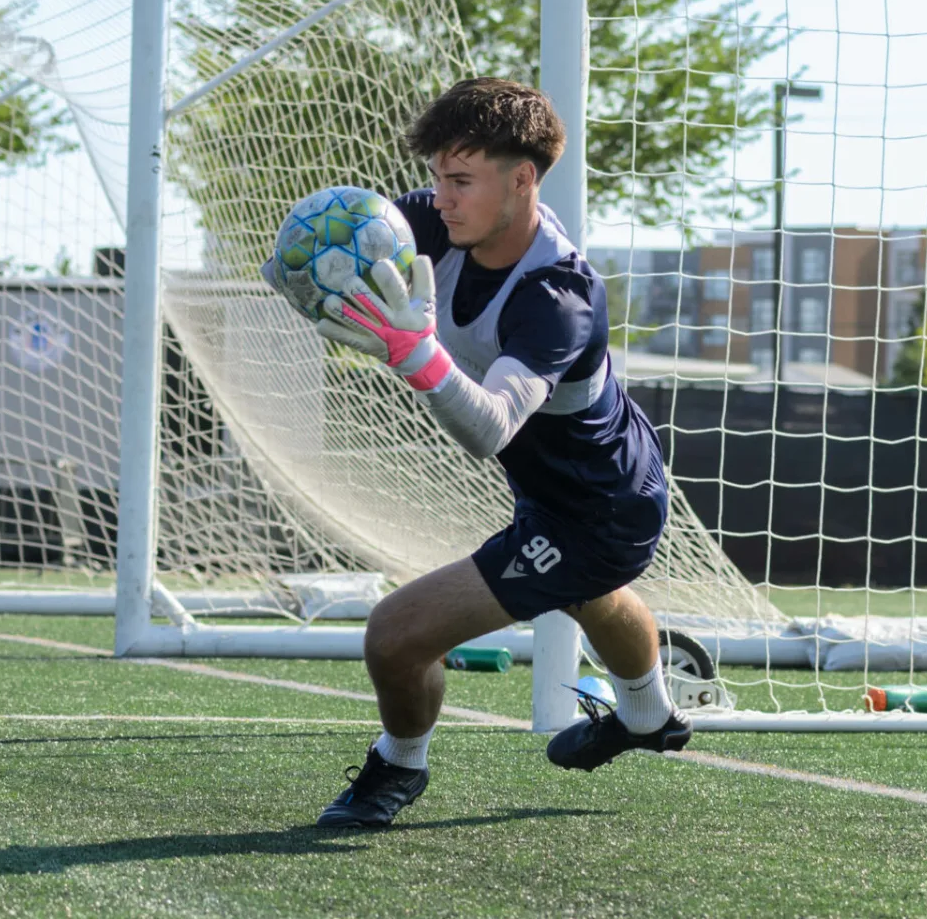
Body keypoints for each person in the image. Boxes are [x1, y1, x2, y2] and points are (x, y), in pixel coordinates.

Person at [293, 77, 691, 829]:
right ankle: (649, 718)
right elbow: (344, 251)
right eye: (437, 177)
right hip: (576, 479)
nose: (439, 199)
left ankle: (397, 767)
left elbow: (489, 431)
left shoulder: (558, 296)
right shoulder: (432, 221)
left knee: (395, 637)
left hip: (599, 507)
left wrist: (416, 355)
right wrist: (304, 270)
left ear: (522, 179)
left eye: (461, 181)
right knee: (590, 592)